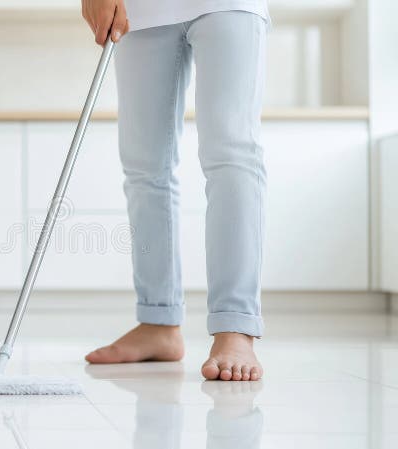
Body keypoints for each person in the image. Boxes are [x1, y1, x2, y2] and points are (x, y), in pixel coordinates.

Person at [81, 0, 269, 381]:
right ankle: (158, 322)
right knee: (145, 166)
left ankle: (235, 325)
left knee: (231, 154)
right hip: (141, 9)